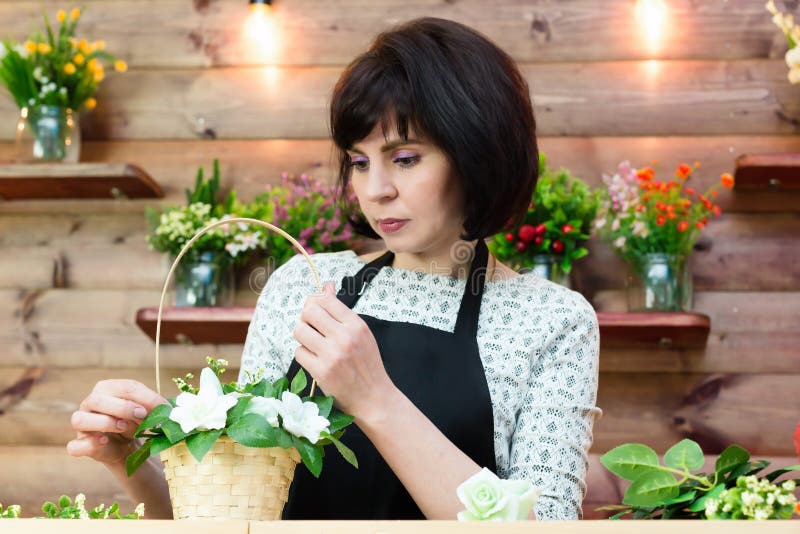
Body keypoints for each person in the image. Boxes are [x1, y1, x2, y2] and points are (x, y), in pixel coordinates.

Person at [67, 17, 600, 521]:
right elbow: (235, 514)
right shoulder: (304, 285)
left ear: (478, 155)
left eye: (406, 159)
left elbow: (546, 525)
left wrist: (375, 398)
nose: (375, 189)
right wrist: (133, 457)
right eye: (360, 162)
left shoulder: (549, 320)